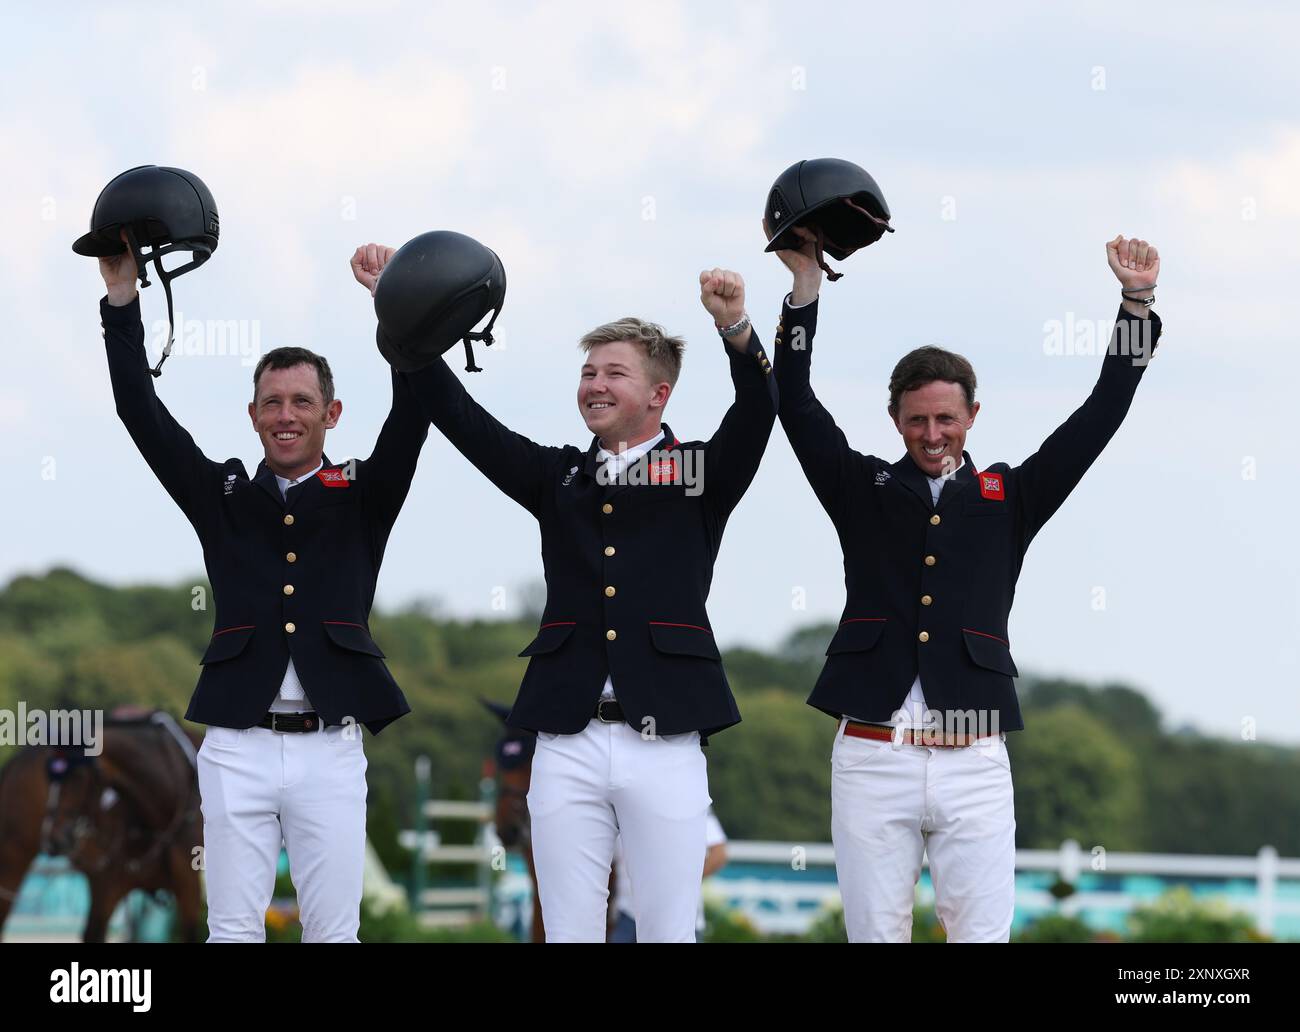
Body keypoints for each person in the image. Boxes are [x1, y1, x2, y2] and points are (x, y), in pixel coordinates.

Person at [771, 225, 1163, 942]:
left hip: (973, 759)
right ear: (895, 419)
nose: (931, 434)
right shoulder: (861, 487)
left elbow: (1100, 415)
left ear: (971, 416)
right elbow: (793, 400)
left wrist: (1135, 307)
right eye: (916, 420)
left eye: (945, 419)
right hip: (871, 752)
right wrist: (804, 293)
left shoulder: (1009, 495)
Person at [390, 260, 776, 942]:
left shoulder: (699, 475)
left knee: (665, 932)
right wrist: (403, 315)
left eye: (613, 373)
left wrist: (735, 327)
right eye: (588, 373)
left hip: (665, 739)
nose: (595, 384)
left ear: (659, 394)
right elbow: (461, 419)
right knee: (566, 932)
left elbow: (758, 411)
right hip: (564, 738)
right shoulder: (558, 476)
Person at [98, 238, 430, 941]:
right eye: (271, 402)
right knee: (232, 931)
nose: (286, 414)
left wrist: (394, 309)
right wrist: (122, 300)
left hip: (331, 747)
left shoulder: (365, 494)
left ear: (331, 415)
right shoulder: (220, 494)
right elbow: (139, 411)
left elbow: (413, 414)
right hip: (236, 747)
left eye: (302, 402)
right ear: (252, 415)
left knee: (335, 933)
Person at [609, 806, 729, 942]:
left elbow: (718, 854)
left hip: (677, 918)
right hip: (627, 916)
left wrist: (678, 885)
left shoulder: (685, 794)